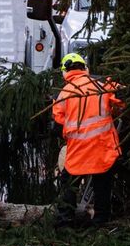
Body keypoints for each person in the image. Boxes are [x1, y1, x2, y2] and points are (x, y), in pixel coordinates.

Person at [51, 52, 124, 226]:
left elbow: (58, 116)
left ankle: (65, 219)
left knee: (69, 182)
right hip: (103, 146)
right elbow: (121, 97)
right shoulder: (102, 83)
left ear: (65, 72)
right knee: (102, 185)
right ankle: (100, 221)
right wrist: (113, 112)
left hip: (79, 147)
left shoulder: (65, 92)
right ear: (85, 68)